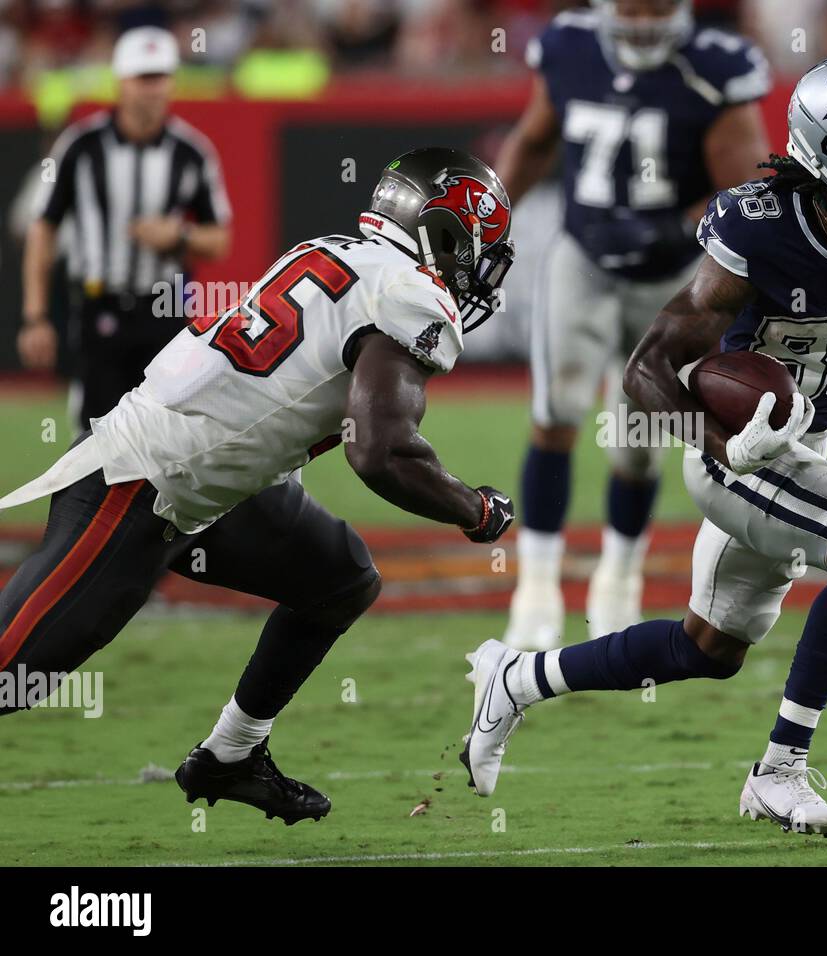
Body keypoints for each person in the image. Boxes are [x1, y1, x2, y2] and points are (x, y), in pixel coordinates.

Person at [459, 52, 827, 835]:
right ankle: (780, 772)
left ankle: (518, 678)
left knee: (708, 648)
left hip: (803, 451)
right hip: (737, 450)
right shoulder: (763, 227)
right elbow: (645, 372)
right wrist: (721, 442)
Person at [0, 148, 516, 825]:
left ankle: (233, 754)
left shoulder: (337, 251)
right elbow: (381, 452)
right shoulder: (407, 294)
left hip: (207, 489)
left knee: (339, 578)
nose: (479, 271)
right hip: (139, 480)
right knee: (14, 672)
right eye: (478, 250)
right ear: (444, 233)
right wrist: (473, 508)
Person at [495, 0, 772, 648]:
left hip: (669, 280)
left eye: (656, 6)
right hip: (582, 261)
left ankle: (619, 576)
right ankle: (535, 586)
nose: (643, 19)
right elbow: (535, 140)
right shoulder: (567, 47)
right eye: (631, 5)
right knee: (556, 411)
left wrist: (675, 224)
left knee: (639, 440)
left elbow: (747, 189)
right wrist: (493, 214)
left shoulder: (714, 68)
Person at [20, 26, 232, 430]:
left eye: (161, 77)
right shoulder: (81, 148)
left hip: (164, 308)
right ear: (121, 81)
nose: (153, 89)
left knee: (168, 435)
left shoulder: (191, 153)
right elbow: (43, 228)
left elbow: (219, 240)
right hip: (99, 306)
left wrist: (179, 235)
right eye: (143, 78)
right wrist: (35, 316)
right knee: (96, 436)